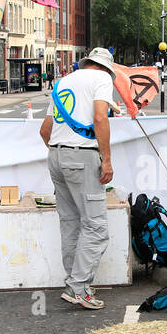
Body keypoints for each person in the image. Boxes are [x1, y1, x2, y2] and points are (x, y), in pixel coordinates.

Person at [38, 47, 119, 310]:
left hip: (56, 156)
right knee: (96, 227)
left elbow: (45, 130)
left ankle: (74, 282)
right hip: (81, 157)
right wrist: (105, 159)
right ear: (106, 68)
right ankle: (78, 287)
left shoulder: (62, 82)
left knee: (71, 223)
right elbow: (99, 118)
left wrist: (62, 151)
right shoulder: (102, 79)